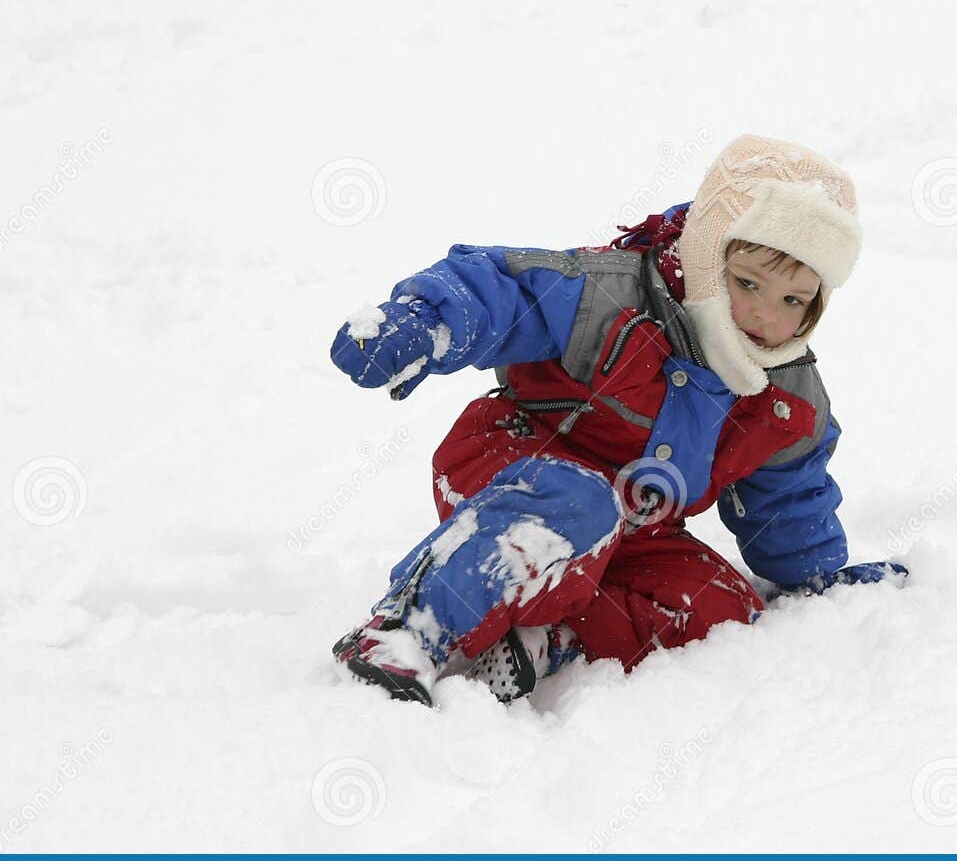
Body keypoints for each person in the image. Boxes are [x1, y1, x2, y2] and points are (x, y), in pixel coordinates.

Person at [327, 134, 904, 706]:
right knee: (577, 500)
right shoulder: (608, 295)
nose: (763, 313)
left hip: (636, 529)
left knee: (723, 603)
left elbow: (789, 498)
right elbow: (502, 286)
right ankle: (407, 629)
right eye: (748, 282)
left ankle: (553, 641)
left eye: (793, 301)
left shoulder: (783, 395)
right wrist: (429, 323)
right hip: (515, 474)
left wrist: (814, 578)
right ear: (707, 253)